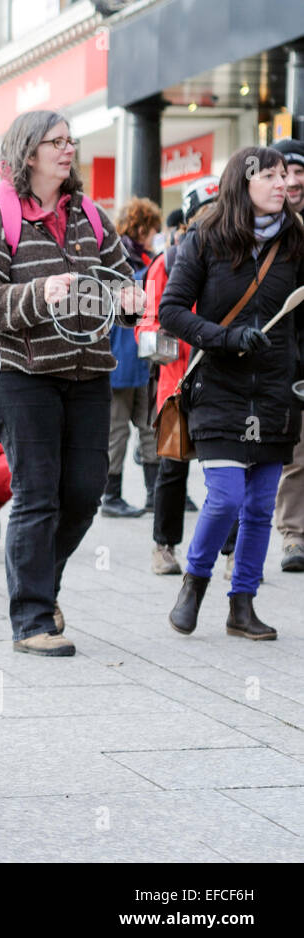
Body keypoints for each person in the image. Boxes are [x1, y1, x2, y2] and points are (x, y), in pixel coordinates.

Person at [0, 109, 146, 657]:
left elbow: (119, 277)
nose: (68, 149)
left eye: (71, 141)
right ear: (27, 152)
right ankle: (32, 619)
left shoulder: (89, 213)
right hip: (24, 376)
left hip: (89, 373)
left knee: (85, 493)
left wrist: (130, 303)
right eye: (55, 141)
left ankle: (41, 582)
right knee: (38, 495)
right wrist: (40, 293)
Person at [161, 145, 304, 640]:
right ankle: (195, 581)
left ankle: (242, 606)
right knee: (224, 499)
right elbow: (172, 311)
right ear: (242, 184)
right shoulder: (205, 238)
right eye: (269, 175)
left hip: (276, 392)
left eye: (284, 175)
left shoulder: (296, 240)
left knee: (261, 507)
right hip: (219, 386)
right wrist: (226, 338)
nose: (282, 183)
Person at [136, 177, 219, 574]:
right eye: (208, 213)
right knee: (173, 465)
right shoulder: (166, 262)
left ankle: (233, 551)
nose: (217, 219)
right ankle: (163, 546)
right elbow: (147, 320)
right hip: (178, 380)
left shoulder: (241, 257)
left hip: (226, 378)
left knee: (229, 466)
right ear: (190, 220)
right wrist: (161, 337)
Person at [102, 196, 164, 518]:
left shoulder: (149, 258)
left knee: (151, 425)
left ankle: (155, 494)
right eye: (153, 229)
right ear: (141, 227)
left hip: (143, 356)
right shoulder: (120, 257)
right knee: (117, 430)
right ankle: (111, 498)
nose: (156, 235)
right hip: (120, 358)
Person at [272, 137, 304, 571]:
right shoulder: (263, 228)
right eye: (285, 172)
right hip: (281, 357)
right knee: (295, 456)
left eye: (299, 172)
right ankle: (294, 537)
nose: (294, 180)